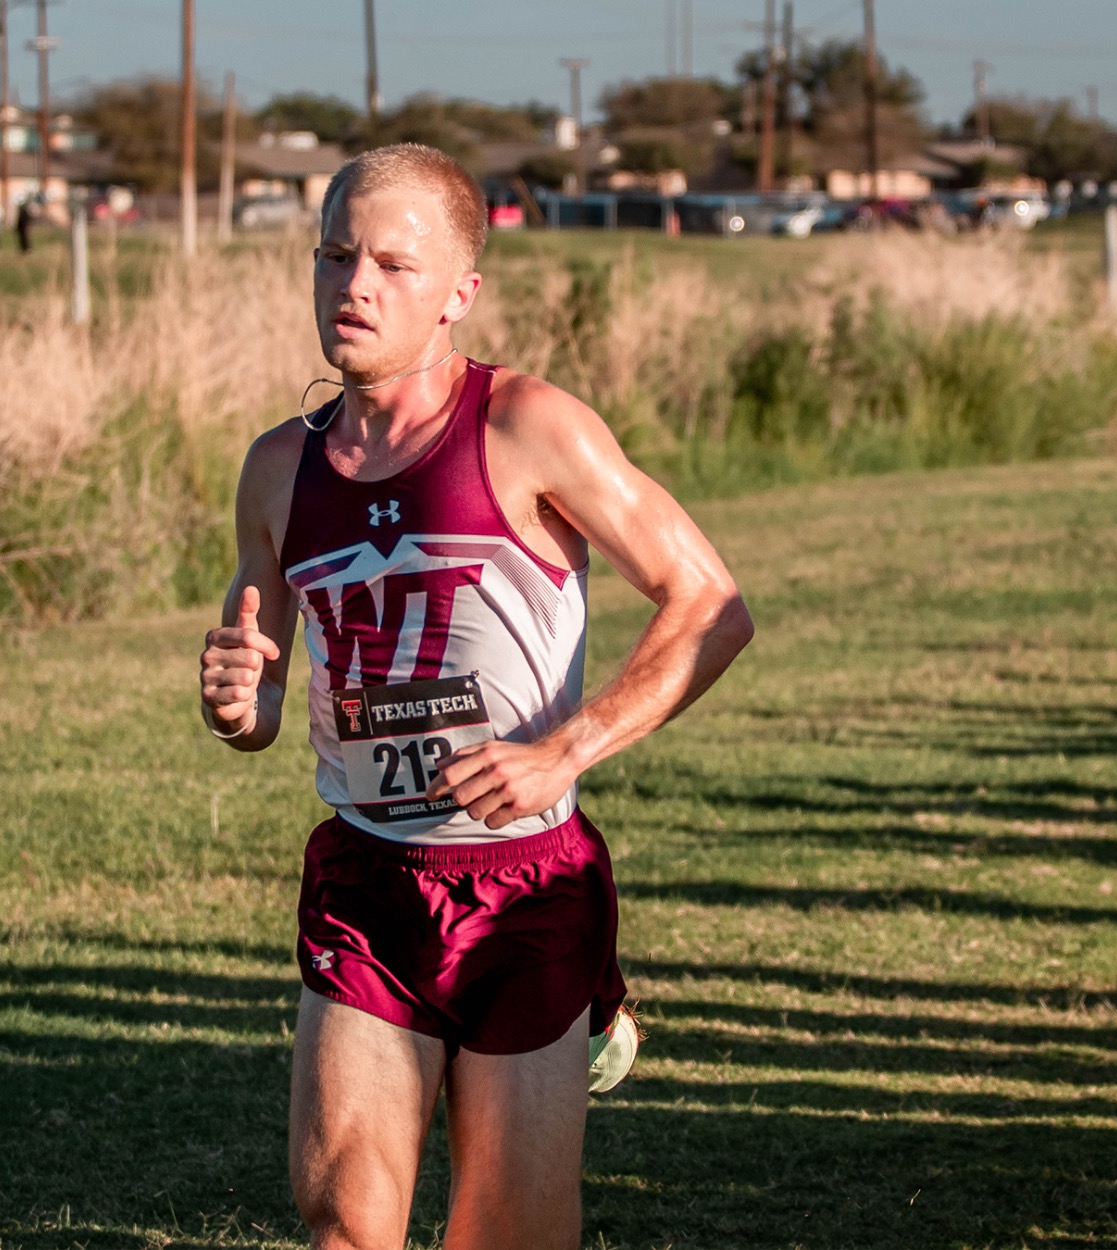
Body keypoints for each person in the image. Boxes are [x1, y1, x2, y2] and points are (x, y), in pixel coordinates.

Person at [196, 142, 753, 1249]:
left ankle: (589, 1011)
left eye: (393, 266)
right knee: (344, 1230)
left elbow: (708, 601)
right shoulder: (276, 469)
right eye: (335, 254)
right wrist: (236, 704)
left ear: (459, 293)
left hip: (523, 886)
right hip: (368, 874)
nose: (353, 284)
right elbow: (260, 695)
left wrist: (566, 747)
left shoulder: (526, 426)